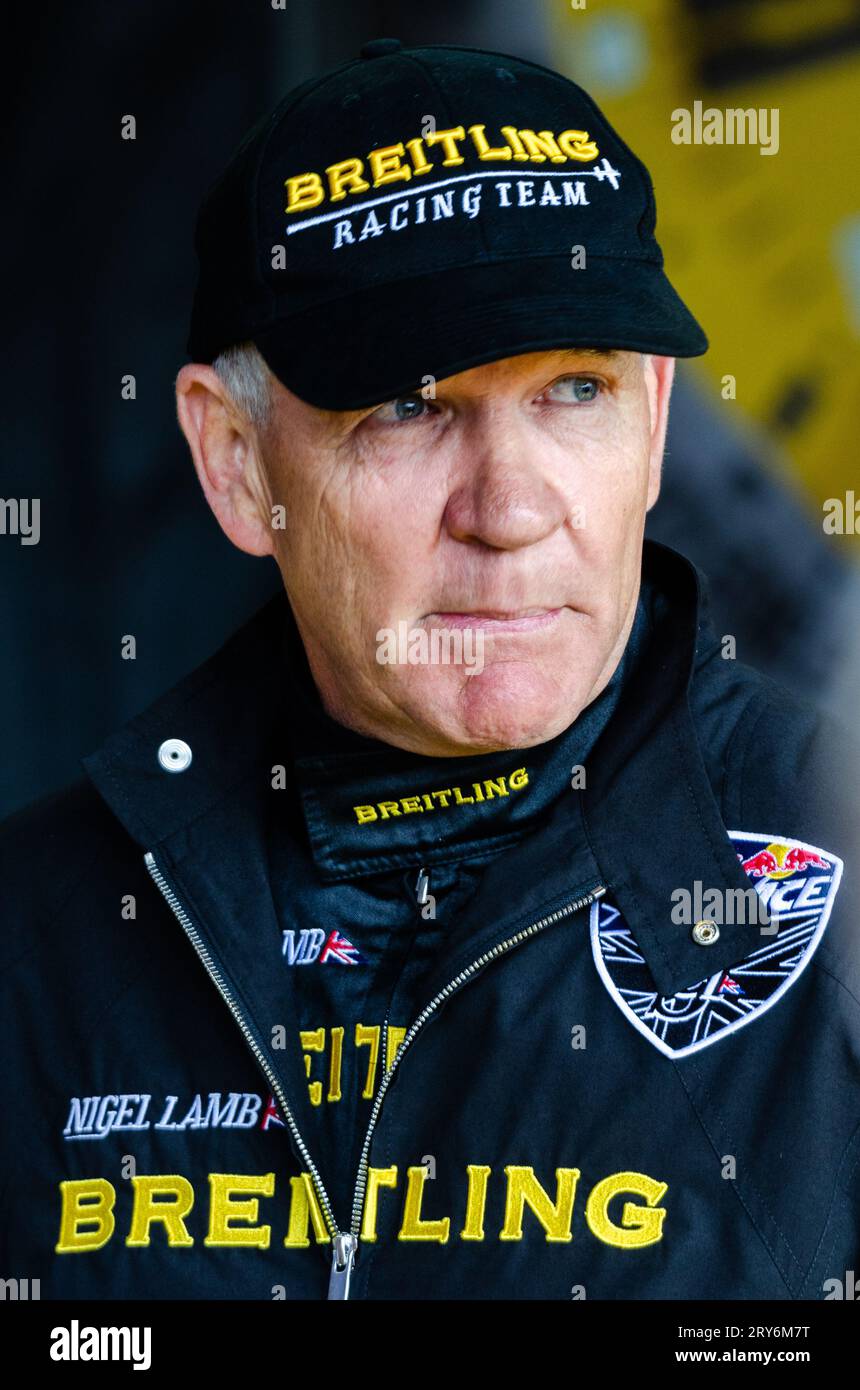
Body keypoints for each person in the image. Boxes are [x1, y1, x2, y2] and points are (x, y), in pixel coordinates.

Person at [1, 38, 857, 1303]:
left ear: (658, 416)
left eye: (575, 389)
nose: (509, 510)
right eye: (408, 407)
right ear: (235, 460)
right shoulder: (33, 946)